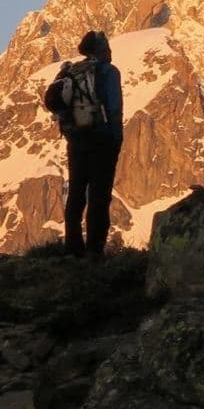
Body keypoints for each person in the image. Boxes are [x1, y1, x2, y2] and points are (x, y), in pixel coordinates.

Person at [43, 30, 124, 259]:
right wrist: (116, 136)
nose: (110, 51)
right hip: (103, 138)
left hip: (76, 139)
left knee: (77, 190)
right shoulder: (108, 71)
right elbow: (114, 107)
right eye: (107, 47)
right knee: (99, 193)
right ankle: (94, 249)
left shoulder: (72, 73)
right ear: (101, 50)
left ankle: (73, 246)